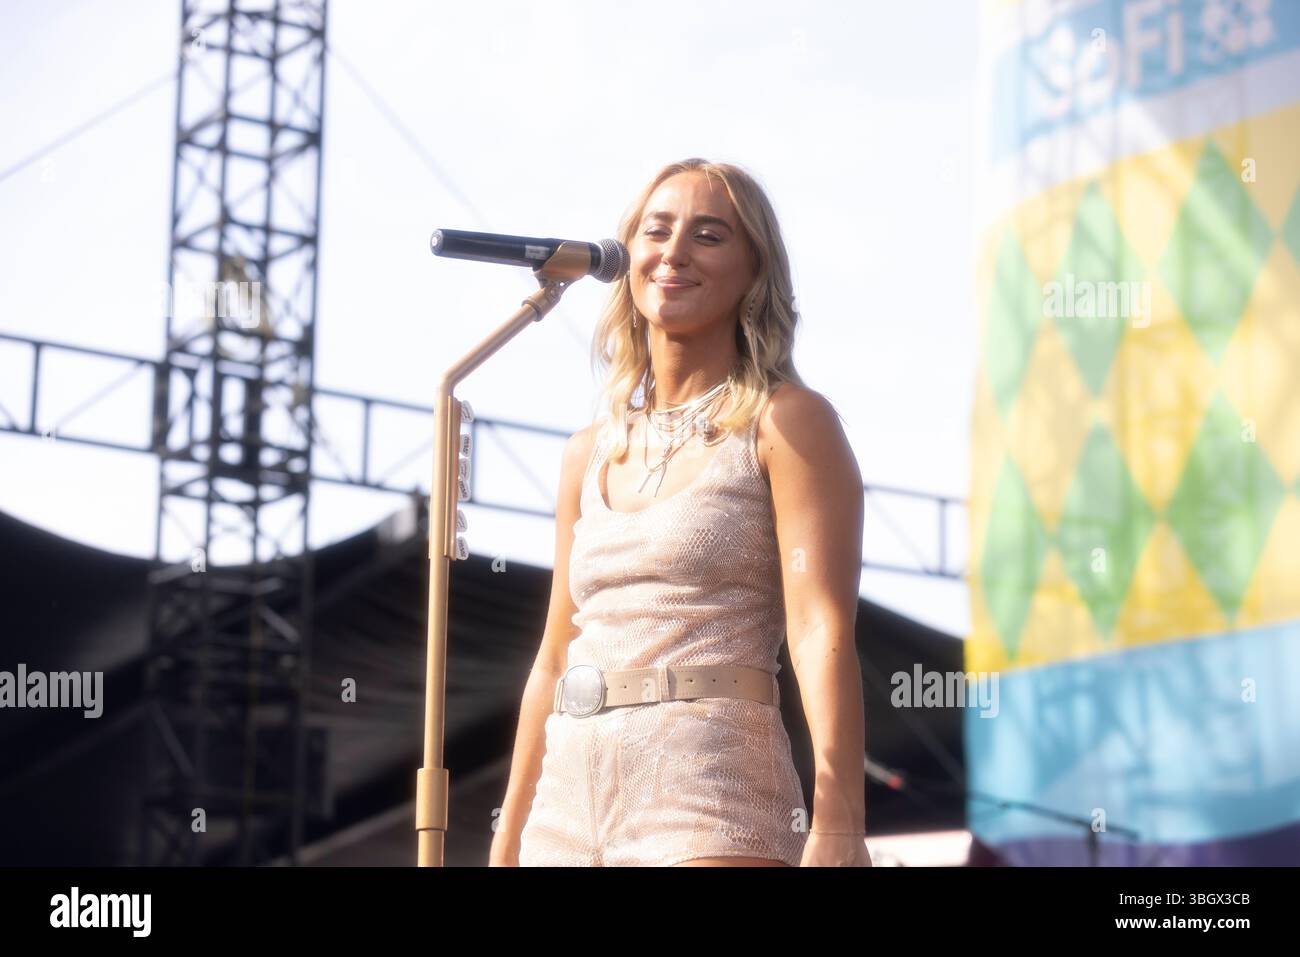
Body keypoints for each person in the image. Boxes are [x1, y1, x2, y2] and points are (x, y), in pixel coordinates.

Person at [490, 158, 869, 867]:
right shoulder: (587, 452)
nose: (673, 251)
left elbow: (821, 628)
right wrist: (509, 834)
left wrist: (840, 815)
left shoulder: (788, 423)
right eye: (656, 231)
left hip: (710, 786)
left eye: (709, 235)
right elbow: (552, 656)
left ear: (754, 270)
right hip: (566, 804)